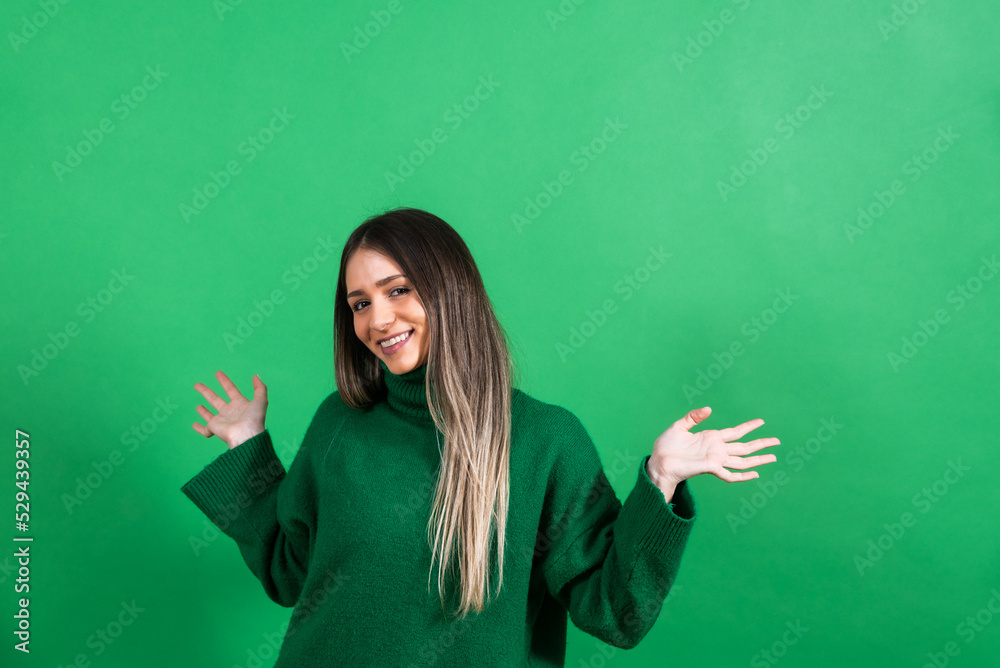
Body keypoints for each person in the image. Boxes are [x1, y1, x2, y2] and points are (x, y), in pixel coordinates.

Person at [180, 207, 780, 666]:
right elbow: (292, 575)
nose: (377, 320)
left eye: (397, 290)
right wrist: (247, 449)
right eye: (358, 303)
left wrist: (662, 482)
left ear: (449, 289)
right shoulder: (340, 422)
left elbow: (614, 613)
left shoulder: (545, 441)